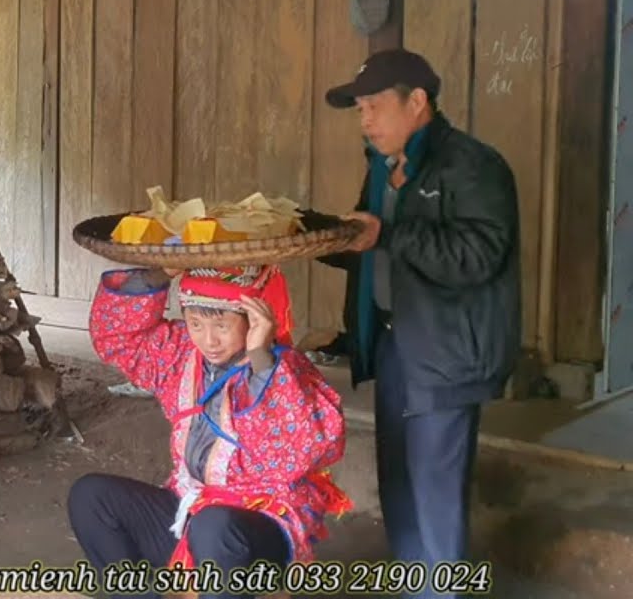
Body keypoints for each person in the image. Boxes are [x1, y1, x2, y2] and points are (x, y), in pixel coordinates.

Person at [319, 48, 520, 596]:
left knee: (435, 492)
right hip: (393, 344)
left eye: (374, 106)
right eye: (359, 108)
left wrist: (386, 234)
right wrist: (323, 238)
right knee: (399, 484)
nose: (366, 120)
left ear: (417, 102)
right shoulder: (385, 167)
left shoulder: (473, 166)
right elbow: (377, 245)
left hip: (446, 351)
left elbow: (479, 255)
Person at [68, 264, 350, 599]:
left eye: (222, 325)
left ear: (253, 319)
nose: (209, 340)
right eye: (196, 324)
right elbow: (118, 337)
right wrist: (159, 275)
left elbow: (308, 448)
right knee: (92, 497)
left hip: (259, 525)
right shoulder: (181, 354)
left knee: (214, 527)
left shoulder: (285, 368)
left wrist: (261, 357)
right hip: (192, 510)